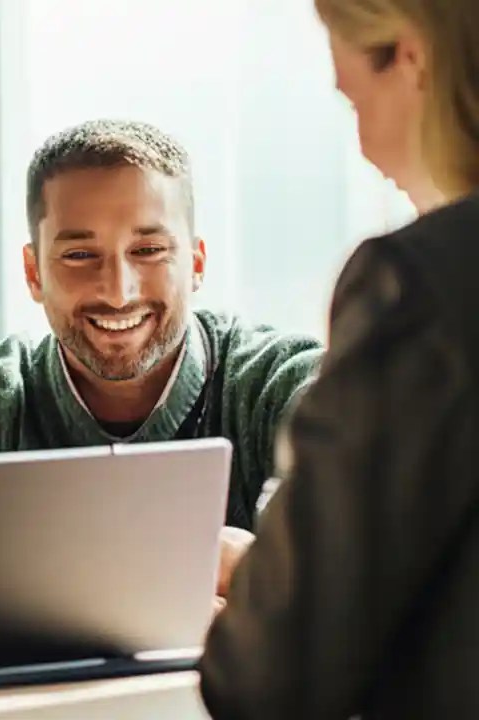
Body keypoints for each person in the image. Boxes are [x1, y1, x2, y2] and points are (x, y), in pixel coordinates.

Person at [0, 119, 323, 592]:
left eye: (149, 250)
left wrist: (254, 569)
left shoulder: (287, 388)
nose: (118, 292)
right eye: (80, 255)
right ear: (33, 273)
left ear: (196, 263)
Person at [200, 0, 479, 717]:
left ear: (413, 58)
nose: (364, 148)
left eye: (355, 100)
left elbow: (272, 675)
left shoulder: (421, 285)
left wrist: (263, 575)